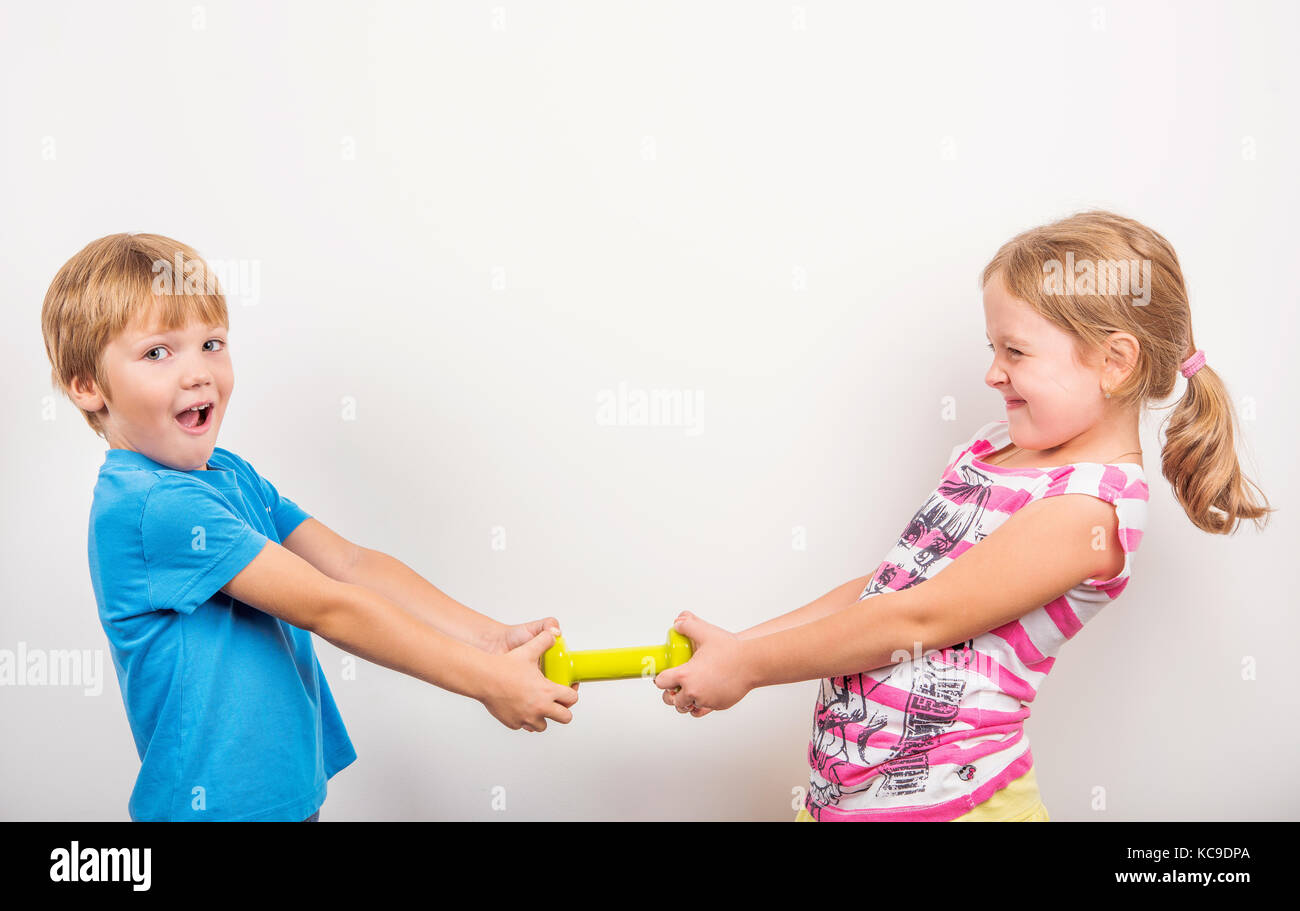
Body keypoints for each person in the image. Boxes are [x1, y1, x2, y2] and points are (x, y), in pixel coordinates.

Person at [654, 210, 1274, 821]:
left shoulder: (1089, 509)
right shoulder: (989, 452)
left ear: (1114, 363)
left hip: (952, 811)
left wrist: (748, 669)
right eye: (992, 346)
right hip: (844, 801)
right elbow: (887, 590)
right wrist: (735, 647)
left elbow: (915, 618)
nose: (992, 372)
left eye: (1016, 351)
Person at [41, 233, 579, 822]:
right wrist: (485, 681)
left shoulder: (227, 473)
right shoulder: (153, 507)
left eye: (211, 343)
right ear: (87, 385)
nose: (198, 373)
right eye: (157, 353)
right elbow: (332, 607)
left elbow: (350, 565)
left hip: (284, 801)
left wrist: (487, 639)